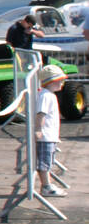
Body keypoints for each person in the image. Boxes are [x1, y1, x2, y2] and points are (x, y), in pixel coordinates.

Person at [34, 64, 68, 197]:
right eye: (60, 80)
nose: (62, 83)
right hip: (46, 136)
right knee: (44, 162)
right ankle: (46, 186)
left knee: (48, 162)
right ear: (52, 81)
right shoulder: (46, 96)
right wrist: (38, 129)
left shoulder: (48, 95)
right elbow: (41, 114)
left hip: (50, 136)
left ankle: (47, 185)